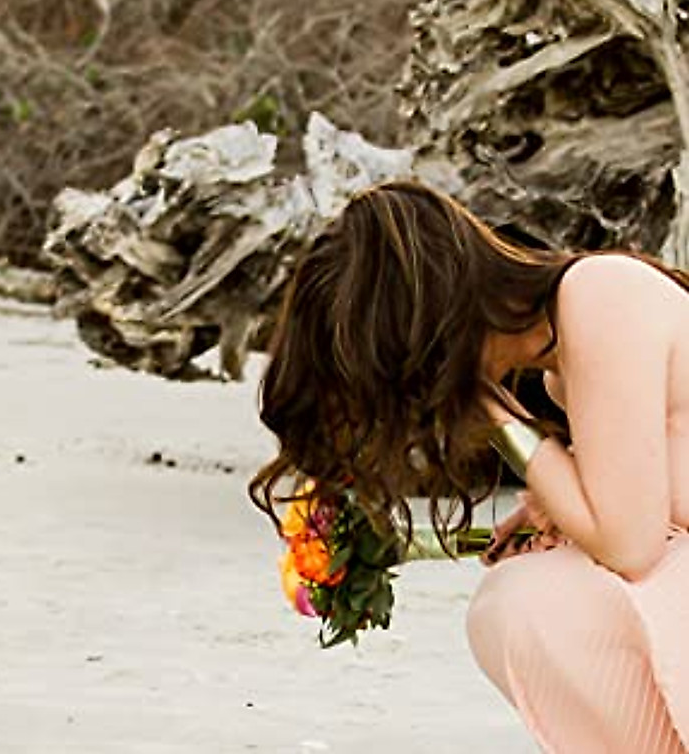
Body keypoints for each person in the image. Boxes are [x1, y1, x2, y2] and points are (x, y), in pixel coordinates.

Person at [249, 179, 689, 752]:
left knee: (532, 601)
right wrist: (558, 501)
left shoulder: (598, 292)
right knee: (525, 593)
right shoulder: (564, 360)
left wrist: (489, 404)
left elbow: (632, 545)